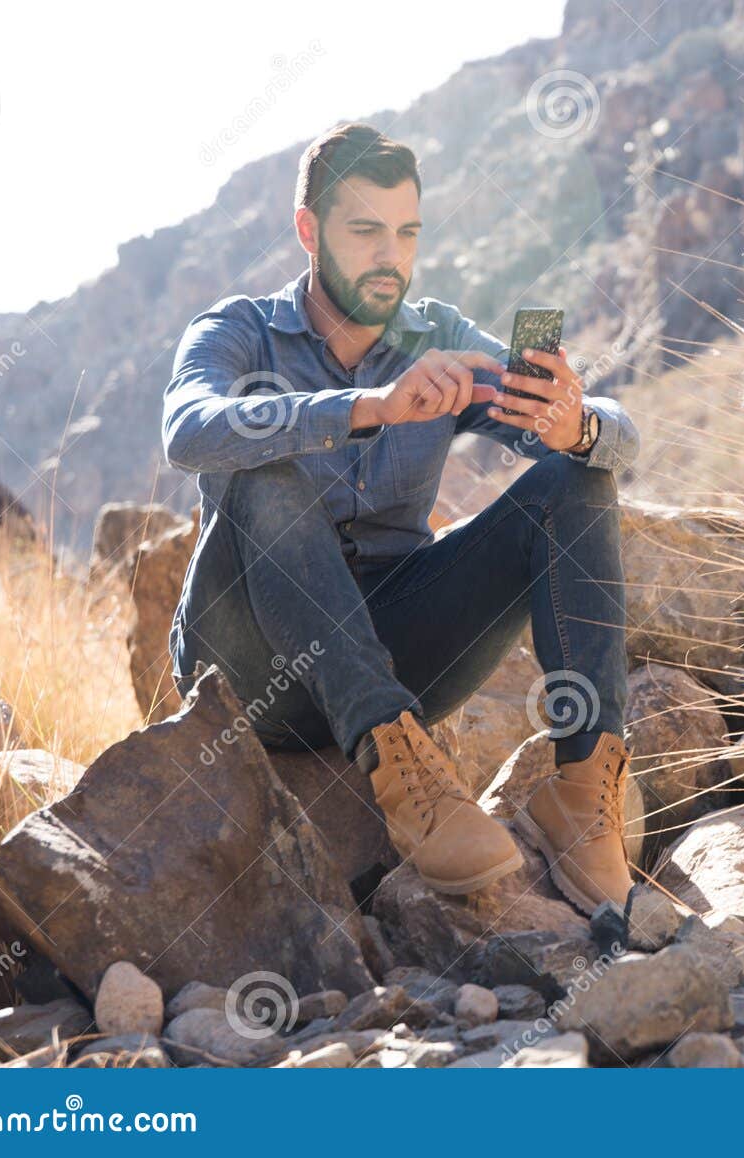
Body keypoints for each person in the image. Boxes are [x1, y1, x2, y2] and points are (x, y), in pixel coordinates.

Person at [161, 121, 638, 915]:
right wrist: (368, 407)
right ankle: (399, 772)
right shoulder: (237, 330)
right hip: (250, 667)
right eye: (366, 231)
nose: (391, 256)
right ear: (309, 231)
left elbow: (618, 434)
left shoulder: (438, 336)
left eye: (407, 233)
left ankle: (583, 797)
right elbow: (188, 431)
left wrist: (574, 423)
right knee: (264, 468)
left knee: (573, 478)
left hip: (399, 649)